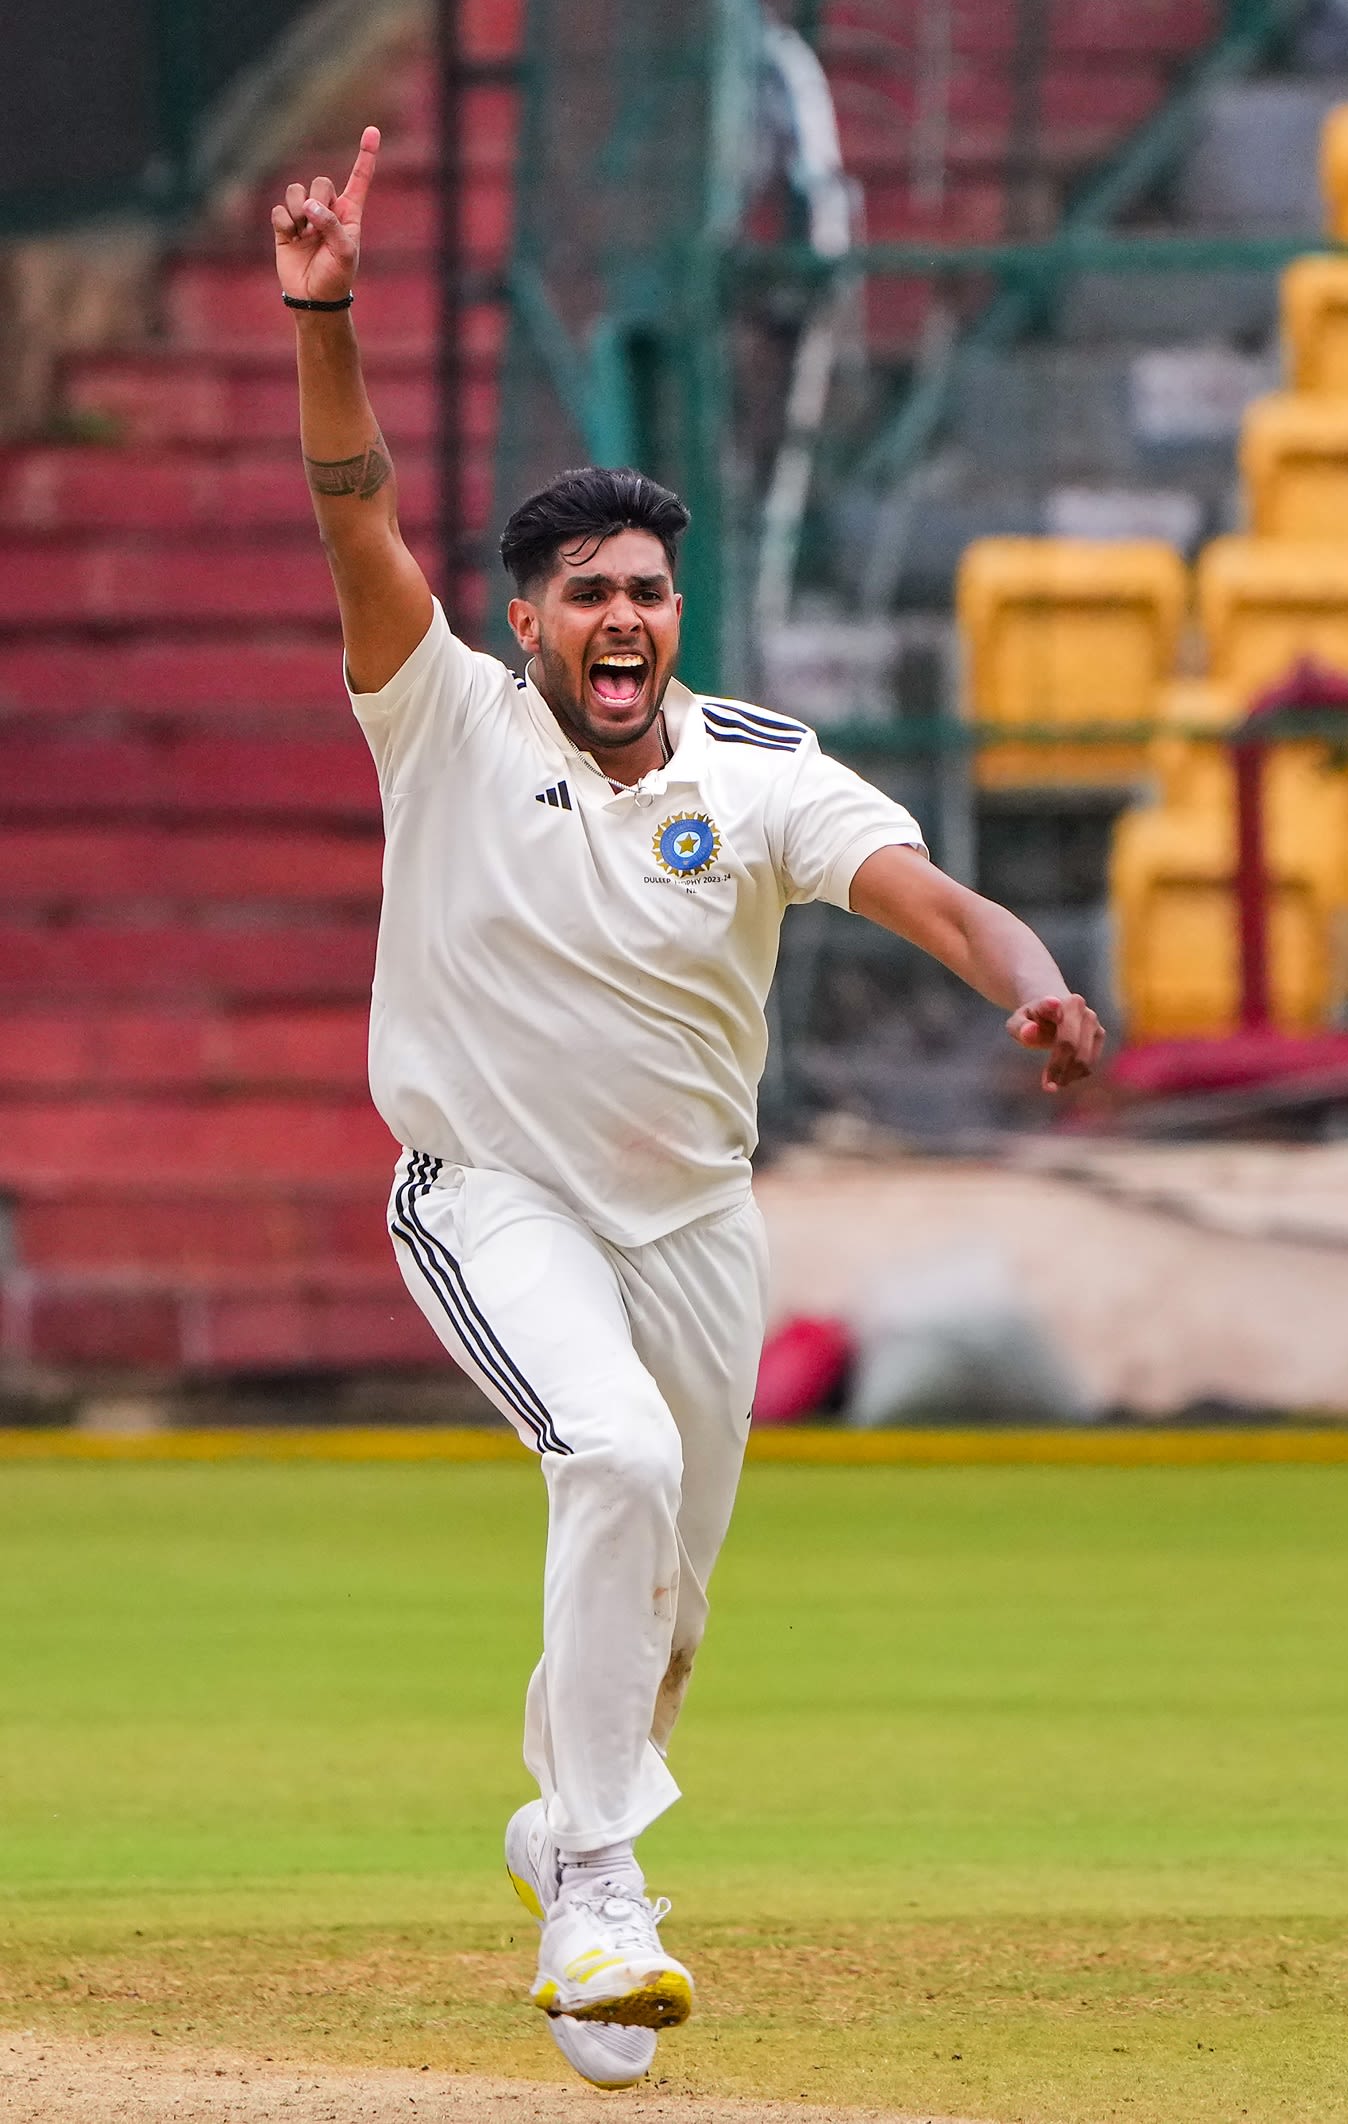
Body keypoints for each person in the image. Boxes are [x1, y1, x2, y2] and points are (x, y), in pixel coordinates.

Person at [273, 126, 1105, 2092]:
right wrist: (328, 320)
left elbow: (931, 896)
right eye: (586, 597)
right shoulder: (444, 718)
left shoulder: (754, 766)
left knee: (666, 1622)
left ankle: (571, 1827)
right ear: (530, 621)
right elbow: (356, 513)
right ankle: (596, 1895)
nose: (625, 621)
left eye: (649, 590)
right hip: (490, 1194)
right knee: (616, 1464)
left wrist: (1035, 983)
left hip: (694, 1226)